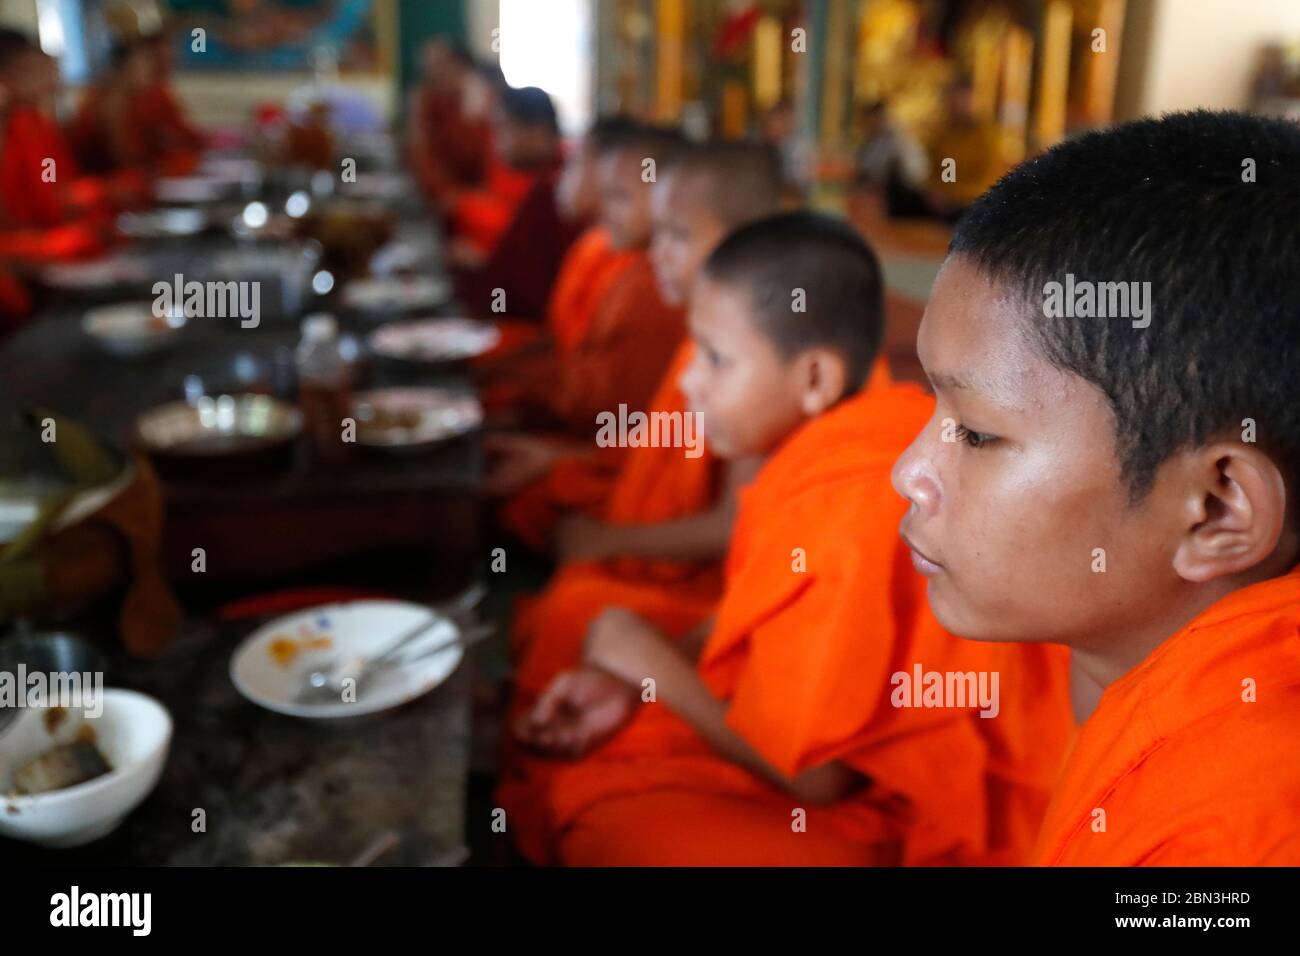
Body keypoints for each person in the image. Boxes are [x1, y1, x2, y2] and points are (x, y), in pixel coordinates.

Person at [501, 212, 1074, 865]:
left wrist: (652, 665)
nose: (688, 384)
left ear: (814, 381)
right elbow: (764, 608)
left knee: (615, 824)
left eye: (715, 359)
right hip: (859, 758)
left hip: (982, 817)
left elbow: (818, 778)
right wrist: (638, 675)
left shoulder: (849, 495)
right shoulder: (844, 438)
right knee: (598, 685)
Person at [890, 110, 1300, 865]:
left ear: (1215, 511)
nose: (906, 473)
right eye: (932, 408)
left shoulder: (1241, 830)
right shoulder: (1113, 636)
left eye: (977, 435)